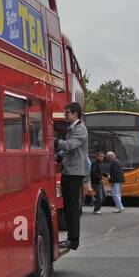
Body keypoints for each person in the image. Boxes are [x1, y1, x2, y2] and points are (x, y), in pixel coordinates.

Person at [54, 102, 88, 250]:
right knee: (68, 206)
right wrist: (60, 156)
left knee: (72, 208)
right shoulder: (72, 128)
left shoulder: (80, 129)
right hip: (68, 171)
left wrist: (54, 142)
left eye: (67, 112)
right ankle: (70, 237)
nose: (64, 115)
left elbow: (70, 145)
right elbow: (68, 151)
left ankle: (74, 240)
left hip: (75, 172)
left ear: (75, 113)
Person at [89, 150, 106, 214]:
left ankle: (94, 201)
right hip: (96, 182)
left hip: (100, 182)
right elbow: (93, 173)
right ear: (97, 157)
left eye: (103, 156)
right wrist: (99, 178)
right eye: (101, 156)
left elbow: (101, 172)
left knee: (104, 195)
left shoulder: (100, 163)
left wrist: (106, 175)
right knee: (100, 196)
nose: (102, 158)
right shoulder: (94, 163)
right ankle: (96, 210)